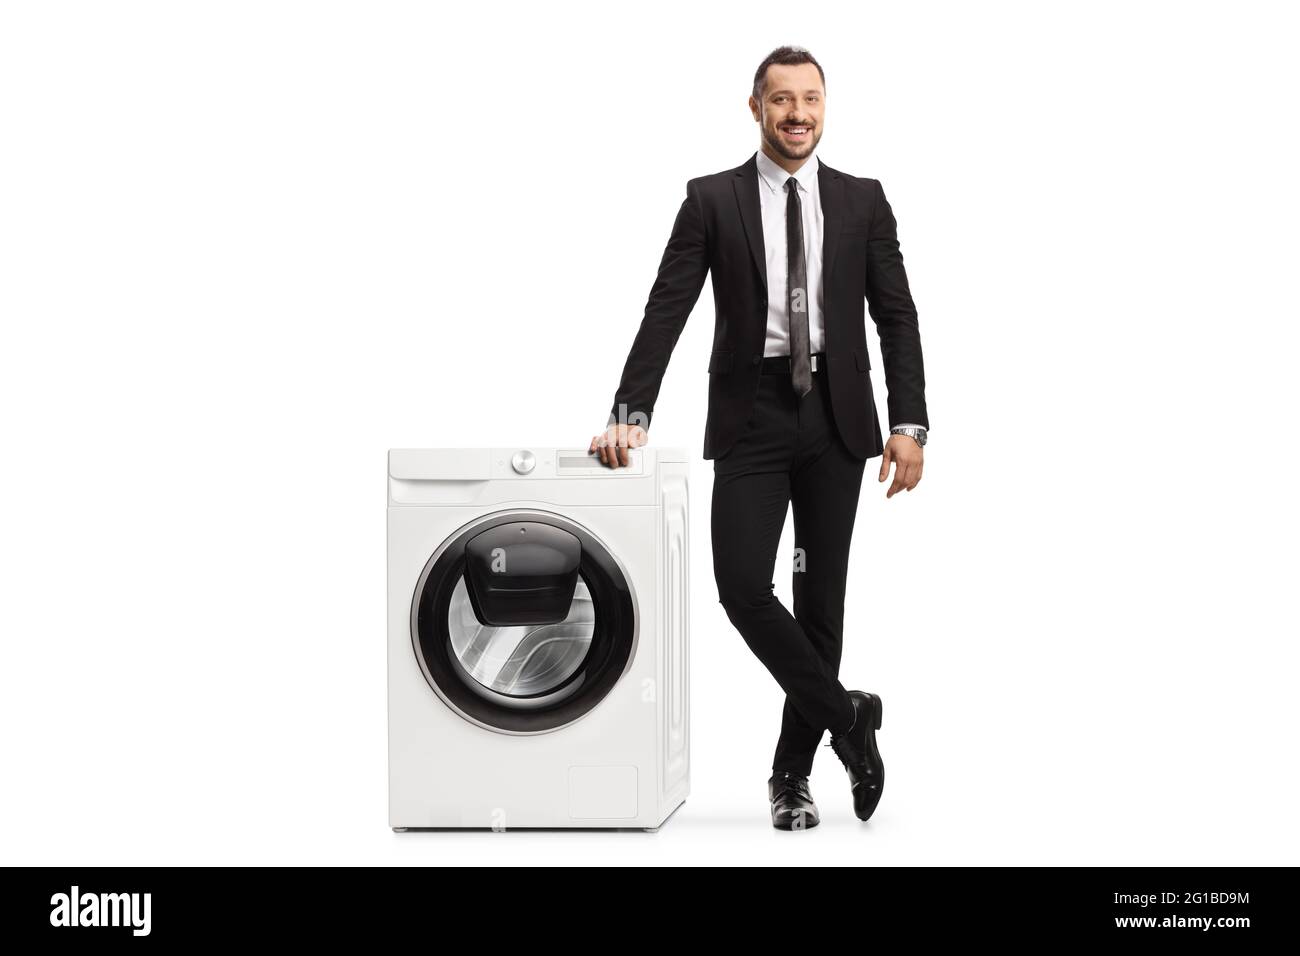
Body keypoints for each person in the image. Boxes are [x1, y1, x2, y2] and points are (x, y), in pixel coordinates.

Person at [589, 45, 929, 829]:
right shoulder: (712, 200)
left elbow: (897, 316)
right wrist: (629, 413)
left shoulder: (862, 200)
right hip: (753, 417)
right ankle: (851, 720)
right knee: (743, 588)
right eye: (781, 99)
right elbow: (665, 309)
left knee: (820, 603)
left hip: (838, 422)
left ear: (825, 106)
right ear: (756, 109)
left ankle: (791, 776)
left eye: (810, 98)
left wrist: (909, 423)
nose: (797, 113)